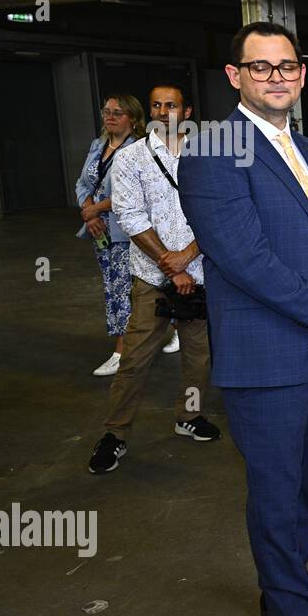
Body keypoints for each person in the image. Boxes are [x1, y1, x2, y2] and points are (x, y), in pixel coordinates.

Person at [179, 22, 308, 616]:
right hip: (268, 355)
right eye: (260, 67)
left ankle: (288, 588)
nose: (276, 77)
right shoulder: (215, 148)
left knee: (302, 483)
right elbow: (244, 258)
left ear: (302, 74)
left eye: (287, 66)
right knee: (274, 488)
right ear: (234, 76)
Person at [86, 84, 219, 476]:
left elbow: (219, 213)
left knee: (199, 358)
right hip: (151, 276)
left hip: (201, 273)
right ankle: (115, 434)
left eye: (171, 105)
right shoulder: (131, 158)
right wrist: (171, 266)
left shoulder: (209, 157)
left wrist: (189, 258)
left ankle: (189, 416)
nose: (163, 111)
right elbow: (130, 217)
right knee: (134, 359)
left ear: (187, 111)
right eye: (157, 105)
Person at [76, 94, 141, 376]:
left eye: (118, 112)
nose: (110, 117)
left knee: (124, 290)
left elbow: (133, 192)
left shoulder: (139, 149)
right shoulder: (97, 145)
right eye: (107, 112)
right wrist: (87, 208)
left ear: (134, 119)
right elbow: (82, 183)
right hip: (99, 230)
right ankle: (173, 324)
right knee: (112, 286)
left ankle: (121, 352)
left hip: (126, 231)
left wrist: (96, 210)